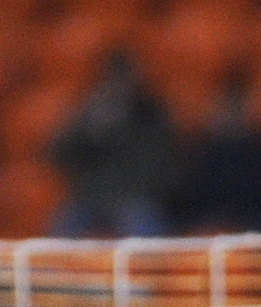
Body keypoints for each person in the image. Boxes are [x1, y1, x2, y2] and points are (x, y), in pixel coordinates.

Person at [50, 53, 181, 238]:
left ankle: (150, 267)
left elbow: (165, 167)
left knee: (145, 229)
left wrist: (136, 189)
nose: (122, 87)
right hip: (91, 198)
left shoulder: (152, 115)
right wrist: (92, 129)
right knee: (59, 238)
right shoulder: (91, 111)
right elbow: (57, 154)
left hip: (134, 198)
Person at [182, 84, 261, 235]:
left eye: (236, 109)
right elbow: (196, 199)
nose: (231, 115)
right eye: (227, 109)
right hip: (212, 221)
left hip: (252, 223)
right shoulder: (202, 150)